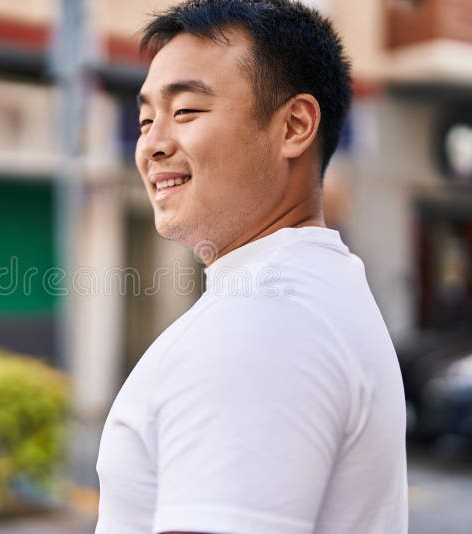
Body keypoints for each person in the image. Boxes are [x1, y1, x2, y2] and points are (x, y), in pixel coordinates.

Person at [94, 1, 408, 533]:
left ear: (294, 126)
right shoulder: (308, 295)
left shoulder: (263, 325)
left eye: (187, 110)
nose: (153, 144)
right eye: (147, 119)